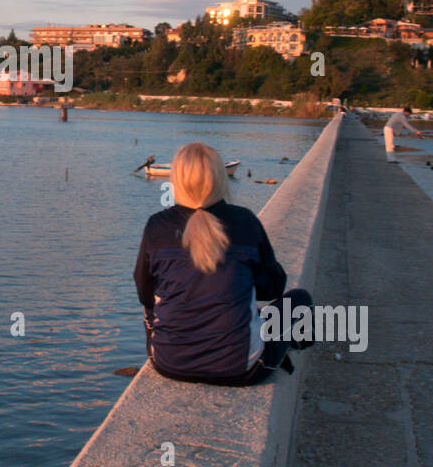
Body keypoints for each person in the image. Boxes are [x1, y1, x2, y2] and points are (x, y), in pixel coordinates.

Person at [133, 142, 312, 386]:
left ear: (177, 180)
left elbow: (145, 292)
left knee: (152, 307)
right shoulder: (245, 221)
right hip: (242, 370)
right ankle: (293, 344)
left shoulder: (157, 225)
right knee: (300, 299)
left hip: (169, 364)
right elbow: (272, 289)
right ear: (219, 178)